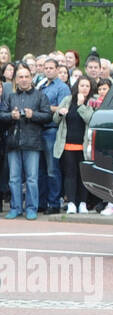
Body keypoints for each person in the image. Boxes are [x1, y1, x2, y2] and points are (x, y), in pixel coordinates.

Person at [2, 65, 51, 219]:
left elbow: (48, 116)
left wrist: (33, 115)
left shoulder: (40, 96)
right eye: (20, 77)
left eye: (26, 77)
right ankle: (15, 208)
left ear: (31, 78)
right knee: (14, 178)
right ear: (16, 79)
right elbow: (1, 114)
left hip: (32, 141)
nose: (23, 80)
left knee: (31, 178)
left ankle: (31, 208)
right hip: (13, 142)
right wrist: (11, 115)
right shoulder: (10, 96)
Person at [54, 76, 95, 214]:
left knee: (83, 175)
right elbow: (55, 119)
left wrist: (81, 105)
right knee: (70, 174)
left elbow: (90, 119)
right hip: (67, 145)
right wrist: (60, 113)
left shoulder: (91, 102)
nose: (84, 88)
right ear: (77, 86)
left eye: (87, 86)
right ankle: (71, 202)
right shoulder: (67, 100)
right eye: (82, 85)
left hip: (84, 146)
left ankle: (82, 203)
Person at [38, 56, 69, 213]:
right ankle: (41, 202)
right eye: (46, 68)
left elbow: (64, 109)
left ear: (57, 70)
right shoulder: (42, 85)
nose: (48, 70)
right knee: (40, 170)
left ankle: (54, 203)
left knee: (52, 169)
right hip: (38, 130)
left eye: (51, 68)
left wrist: (45, 108)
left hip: (52, 130)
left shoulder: (62, 87)